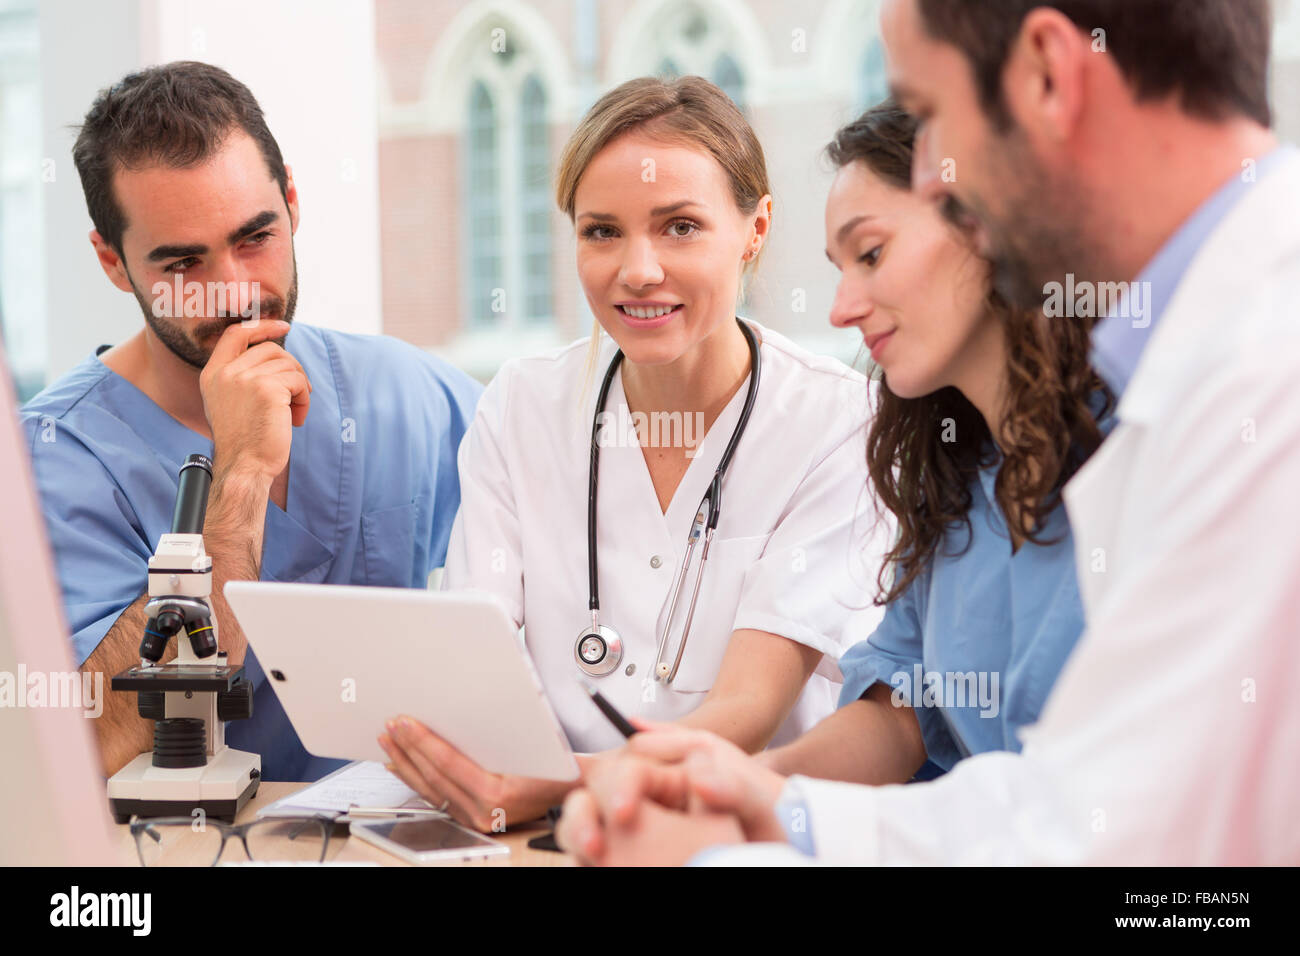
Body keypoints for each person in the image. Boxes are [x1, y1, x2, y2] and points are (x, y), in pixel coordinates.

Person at [557, 0, 1300, 866]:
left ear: (1050, 74)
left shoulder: (1254, 384)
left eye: (934, 113)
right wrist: (770, 806)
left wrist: (744, 837)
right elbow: (1073, 796)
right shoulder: (1182, 371)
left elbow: (1133, 849)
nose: (943, 184)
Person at [378, 76, 883, 832]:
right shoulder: (520, 408)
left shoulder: (834, 420)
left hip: (737, 836)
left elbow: (746, 712)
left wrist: (554, 780)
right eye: (601, 231)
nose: (637, 270)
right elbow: (476, 651)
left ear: (755, 228)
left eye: (679, 227)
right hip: (544, 837)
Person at [20, 61, 482, 782]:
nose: (235, 292)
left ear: (292, 202)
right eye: (183, 263)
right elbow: (84, 747)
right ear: (113, 263)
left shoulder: (404, 390)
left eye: (254, 237)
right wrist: (241, 476)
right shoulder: (53, 461)